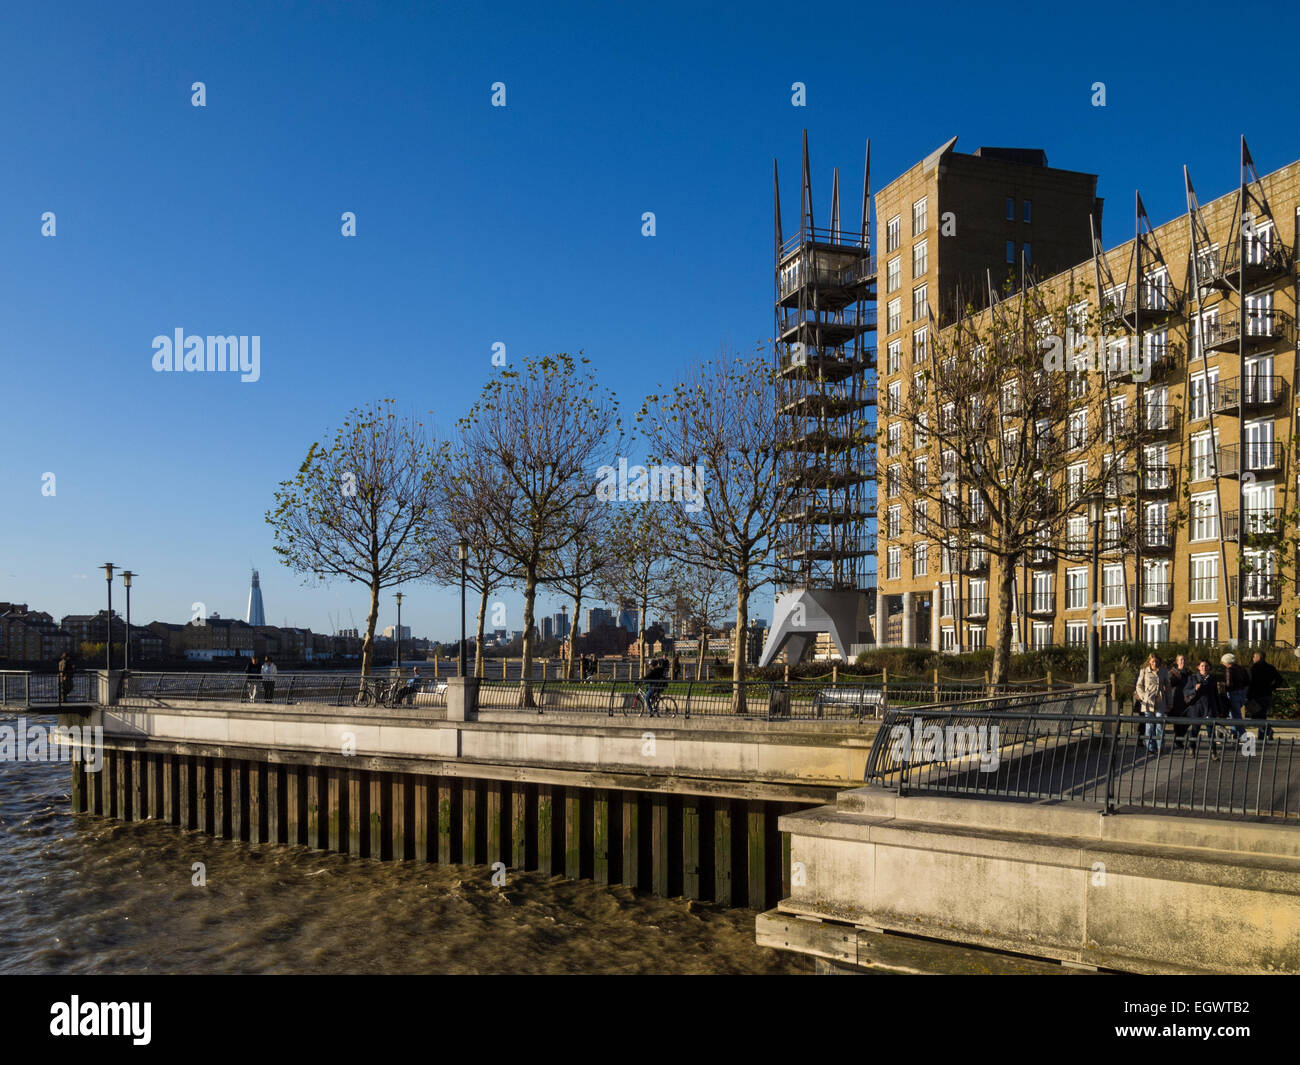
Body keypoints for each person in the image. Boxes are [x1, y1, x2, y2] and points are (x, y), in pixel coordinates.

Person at [1184, 659, 1223, 758]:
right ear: (1198, 667)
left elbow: (1215, 695)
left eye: (1206, 666)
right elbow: (1186, 691)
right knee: (1195, 730)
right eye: (1202, 666)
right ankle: (1192, 747)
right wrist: (1194, 689)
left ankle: (1213, 752)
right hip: (1197, 708)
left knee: (1210, 731)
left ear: (1209, 668)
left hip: (1209, 708)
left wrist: (1218, 709)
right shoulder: (1192, 678)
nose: (1204, 668)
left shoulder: (1213, 679)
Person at [1134, 653, 1168, 754]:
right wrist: (1143, 696)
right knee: (1149, 726)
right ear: (1149, 661)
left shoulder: (1163, 672)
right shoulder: (1144, 671)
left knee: (1159, 725)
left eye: (1156, 661)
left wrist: (1169, 703)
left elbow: (1169, 688)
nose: (1154, 663)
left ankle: (1159, 746)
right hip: (1148, 701)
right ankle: (1150, 747)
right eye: (1153, 661)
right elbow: (1138, 685)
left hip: (1160, 701)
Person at [1247, 651, 1284, 743]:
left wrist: (1248, 695)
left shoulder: (1254, 668)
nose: (1253, 659)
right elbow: (1279, 679)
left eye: (1254, 657)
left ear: (1258, 658)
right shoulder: (1271, 668)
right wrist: (1272, 687)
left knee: (1256, 716)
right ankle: (1266, 732)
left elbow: (1249, 682)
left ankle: (1264, 734)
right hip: (1267, 695)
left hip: (1256, 695)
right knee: (1262, 715)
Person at [1222, 653, 1249, 741]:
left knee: (1236, 716)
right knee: (1233, 714)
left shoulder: (1229, 670)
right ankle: (1234, 734)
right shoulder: (1242, 668)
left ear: (1227, 662)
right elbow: (1247, 681)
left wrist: (1224, 690)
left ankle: (1243, 735)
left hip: (1233, 693)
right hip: (1242, 693)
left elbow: (1229, 684)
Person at [1167, 653, 1190, 749]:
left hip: (1186, 700)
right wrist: (1177, 677)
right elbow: (1168, 683)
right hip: (1175, 699)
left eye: (1184, 659)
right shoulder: (1173, 672)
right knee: (1177, 721)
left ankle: (1179, 738)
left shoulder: (1189, 673)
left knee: (1188, 720)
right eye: (1180, 660)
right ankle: (1178, 740)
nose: (1182, 661)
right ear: (1177, 662)